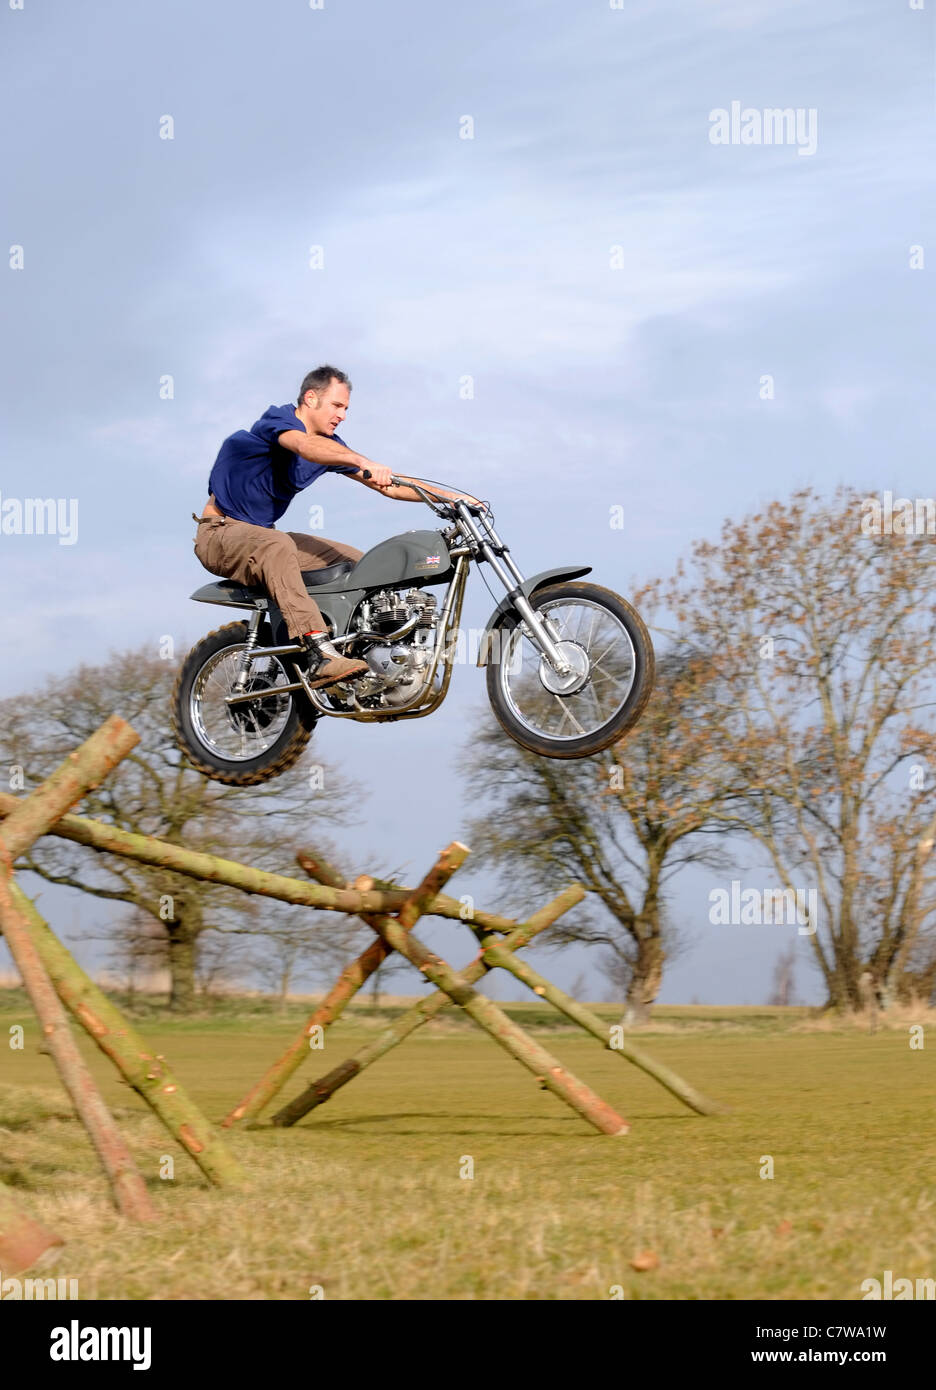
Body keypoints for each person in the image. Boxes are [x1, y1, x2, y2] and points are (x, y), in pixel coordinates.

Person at [193, 365, 474, 688]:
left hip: (261, 537)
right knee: (277, 545)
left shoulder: (330, 445)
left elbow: (390, 486)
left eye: (346, 409)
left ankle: (362, 653)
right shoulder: (279, 422)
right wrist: (360, 461)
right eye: (337, 406)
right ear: (310, 399)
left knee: (362, 565)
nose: (342, 415)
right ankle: (319, 653)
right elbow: (303, 445)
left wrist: (456, 499)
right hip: (220, 533)